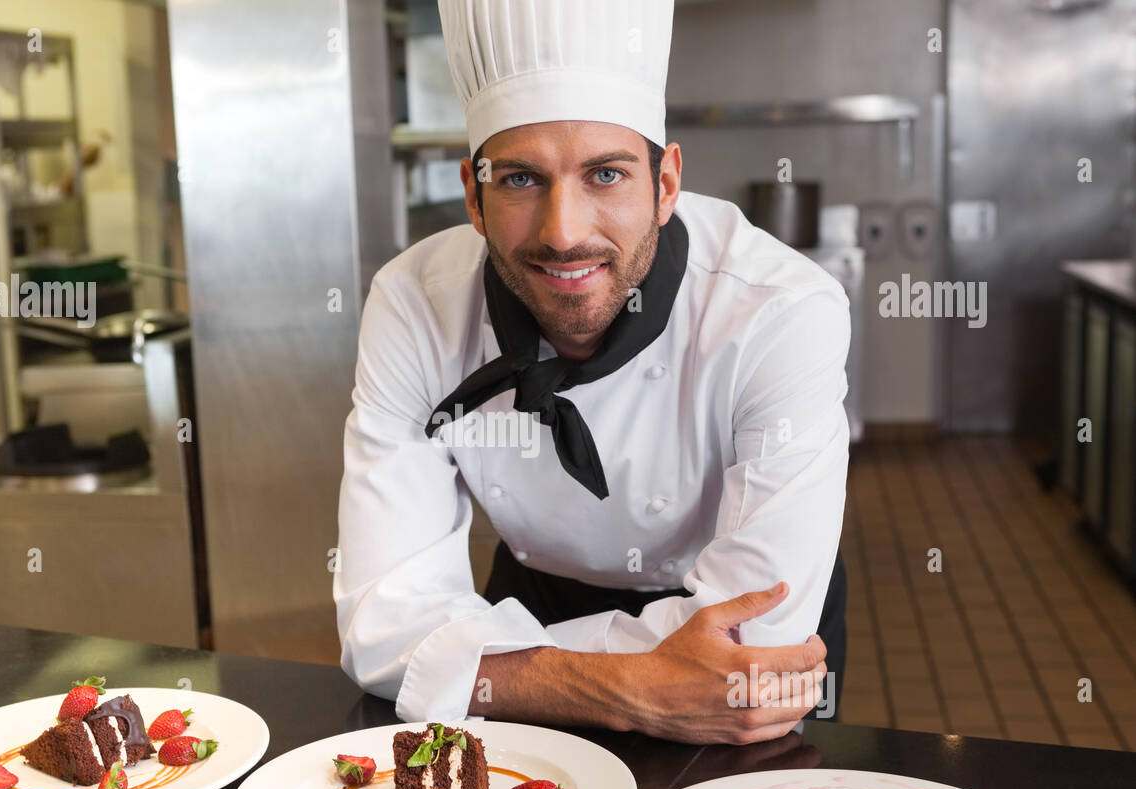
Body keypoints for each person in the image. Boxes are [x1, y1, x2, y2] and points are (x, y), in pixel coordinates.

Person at [335, 0, 849, 745]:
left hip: (694, 644)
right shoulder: (414, 303)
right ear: (472, 195)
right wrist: (629, 688)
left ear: (666, 182)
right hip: (535, 600)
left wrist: (481, 664)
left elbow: (752, 647)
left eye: (606, 174)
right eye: (519, 180)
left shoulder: (779, 309)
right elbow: (381, 626)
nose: (563, 232)